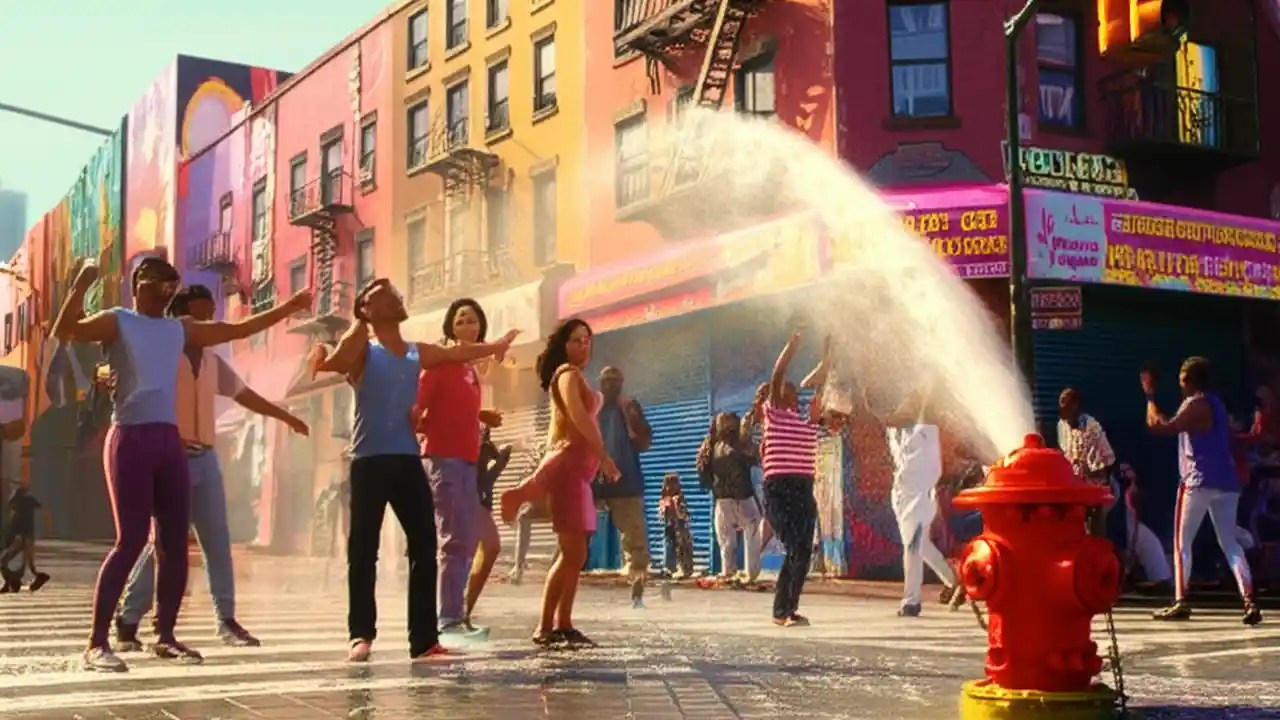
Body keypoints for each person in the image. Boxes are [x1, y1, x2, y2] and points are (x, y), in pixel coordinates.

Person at [52, 257, 311, 672]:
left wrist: (289, 307)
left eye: (172, 285)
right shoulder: (118, 321)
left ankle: (166, 634)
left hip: (167, 442)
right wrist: (81, 282)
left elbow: (238, 329)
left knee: (174, 543)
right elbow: (66, 331)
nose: (166, 292)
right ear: (139, 284)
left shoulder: (179, 329)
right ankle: (97, 642)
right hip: (130, 440)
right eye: (158, 284)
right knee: (131, 540)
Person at [309, 278, 518, 662]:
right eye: (383, 294)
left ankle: (423, 641)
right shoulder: (363, 354)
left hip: (408, 460)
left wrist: (497, 345)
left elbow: (458, 354)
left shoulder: (415, 354)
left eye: (396, 293)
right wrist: (354, 322)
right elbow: (336, 361)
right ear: (368, 309)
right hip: (369, 462)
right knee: (363, 550)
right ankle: (361, 634)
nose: (396, 295)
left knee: (424, 546)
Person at [114, 285, 311, 651]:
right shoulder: (161, 357)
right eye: (201, 315)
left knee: (217, 541)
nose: (209, 324)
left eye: (211, 315)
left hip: (206, 458)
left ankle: (226, 620)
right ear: (180, 319)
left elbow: (244, 394)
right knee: (163, 545)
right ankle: (128, 617)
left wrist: (286, 417)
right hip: (169, 456)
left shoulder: (211, 363)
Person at [499, 319, 621, 648]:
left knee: (576, 554)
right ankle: (545, 627)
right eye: (576, 340)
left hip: (578, 474)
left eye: (587, 340)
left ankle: (563, 624)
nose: (584, 345)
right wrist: (604, 455)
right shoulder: (566, 373)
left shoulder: (574, 374)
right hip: (568, 471)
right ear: (563, 345)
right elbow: (579, 416)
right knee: (570, 553)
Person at [412, 298, 507, 643]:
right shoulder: (440, 365)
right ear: (450, 328)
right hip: (443, 459)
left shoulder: (470, 371)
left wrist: (481, 417)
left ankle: (455, 616)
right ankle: (447, 620)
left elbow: (452, 407)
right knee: (454, 540)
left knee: (465, 540)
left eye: (473, 320)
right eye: (461, 320)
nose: (468, 326)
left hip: (467, 461)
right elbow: (417, 408)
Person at [1141, 357, 1262, 625]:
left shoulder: (1194, 404)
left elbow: (1162, 427)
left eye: (1182, 379)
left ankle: (1181, 601)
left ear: (1188, 380)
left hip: (1197, 481)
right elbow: (1232, 438)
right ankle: (1250, 600)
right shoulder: (1217, 405)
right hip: (1227, 483)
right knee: (1230, 543)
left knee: (1182, 543)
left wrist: (1150, 397)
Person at [757, 330, 822, 627]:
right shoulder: (773, 414)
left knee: (803, 550)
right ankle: (781, 611)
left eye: (792, 396)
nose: (788, 399)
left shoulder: (807, 425)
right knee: (795, 546)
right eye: (784, 394)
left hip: (804, 489)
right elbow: (778, 373)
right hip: (779, 489)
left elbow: (821, 385)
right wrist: (792, 346)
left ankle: (788, 609)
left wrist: (830, 356)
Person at [885, 385, 959, 617]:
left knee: (913, 546)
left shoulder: (925, 432)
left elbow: (925, 406)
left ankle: (911, 601)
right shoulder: (895, 431)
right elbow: (884, 414)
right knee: (921, 545)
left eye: (912, 403)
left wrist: (929, 382)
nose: (906, 405)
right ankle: (954, 581)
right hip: (902, 496)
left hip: (921, 496)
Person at [594, 366, 653, 607]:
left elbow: (644, 442)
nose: (610, 385)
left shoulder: (629, 407)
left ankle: (637, 591)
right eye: (607, 380)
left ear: (621, 383)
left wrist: (632, 416)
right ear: (600, 383)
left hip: (626, 482)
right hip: (594, 483)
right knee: (574, 537)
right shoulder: (592, 408)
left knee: (636, 543)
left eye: (615, 381)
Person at [696, 412, 762, 584]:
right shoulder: (740, 445)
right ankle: (751, 572)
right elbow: (756, 458)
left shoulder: (710, 446)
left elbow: (704, 474)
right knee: (752, 533)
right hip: (744, 496)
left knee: (726, 538)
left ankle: (728, 570)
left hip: (722, 498)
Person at [464, 426, 510, 625]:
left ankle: (462, 612)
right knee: (464, 553)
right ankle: (453, 615)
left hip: (480, 497)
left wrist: (500, 462)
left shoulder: (483, 432)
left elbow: (493, 461)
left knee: (484, 549)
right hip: (465, 493)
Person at [1057, 387, 1118, 537]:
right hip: (1077, 489)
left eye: (1066, 408)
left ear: (1076, 406)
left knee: (1095, 527)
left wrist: (1091, 474)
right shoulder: (1062, 425)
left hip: (1098, 488)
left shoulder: (1092, 428)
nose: (1063, 414)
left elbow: (1109, 463)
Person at [1114, 462, 1173, 591]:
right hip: (1108, 525)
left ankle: (1159, 579)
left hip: (1125, 524)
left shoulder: (1126, 488)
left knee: (1149, 543)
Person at [0, 485, 52, 593]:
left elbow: (11, 507)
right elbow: (42, 508)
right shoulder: (29, 502)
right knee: (27, 563)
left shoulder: (19, 505)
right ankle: (16, 581)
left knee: (5, 560)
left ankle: (10, 583)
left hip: (21, 537)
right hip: (29, 537)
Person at [658, 473, 695, 578]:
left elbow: (685, 515)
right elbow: (661, 517)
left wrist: (676, 506)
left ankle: (684, 569)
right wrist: (664, 508)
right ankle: (669, 568)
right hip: (669, 528)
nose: (669, 487)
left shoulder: (680, 499)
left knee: (683, 547)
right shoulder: (664, 500)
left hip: (680, 527)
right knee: (669, 547)